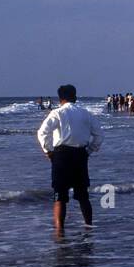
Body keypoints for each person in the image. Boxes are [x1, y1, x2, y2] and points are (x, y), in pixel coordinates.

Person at [37, 85, 103, 234]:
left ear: (60, 99)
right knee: (83, 195)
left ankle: (60, 231)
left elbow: (42, 132)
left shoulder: (58, 112)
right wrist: (90, 150)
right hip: (80, 154)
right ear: (75, 96)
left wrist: (48, 151)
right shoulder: (86, 113)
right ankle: (89, 226)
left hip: (62, 155)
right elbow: (99, 135)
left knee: (60, 196)